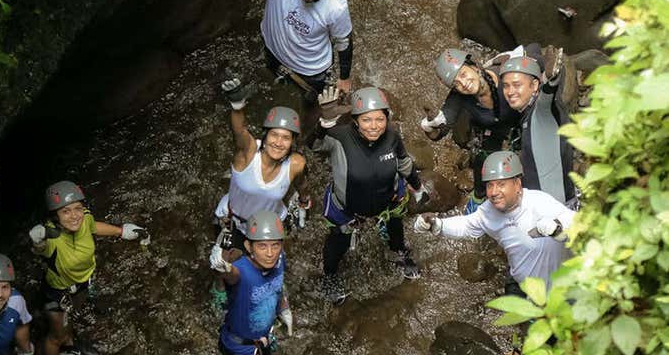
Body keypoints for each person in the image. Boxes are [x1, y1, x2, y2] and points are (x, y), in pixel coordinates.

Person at [201, 0, 354, 139]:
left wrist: (344, 78)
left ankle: (309, 132)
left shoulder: (336, 7)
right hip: (273, 50)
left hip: (310, 70)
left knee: (310, 104)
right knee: (269, 80)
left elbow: (344, 41)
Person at [28, 181, 146, 355]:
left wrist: (121, 231)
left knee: (70, 321)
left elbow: (92, 225)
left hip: (81, 285)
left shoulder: (85, 218)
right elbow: (41, 249)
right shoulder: (52, 238)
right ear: (54, 216)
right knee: (56, 335)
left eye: (77, 208)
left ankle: (71, 343)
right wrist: (38, 242)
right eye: (65, 211)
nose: (74, 216)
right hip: (58, 293)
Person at [313, 86, 429, 305]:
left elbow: (404, 162)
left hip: (388, 201)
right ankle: (330, 276)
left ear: (387, 118)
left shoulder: (392, 136)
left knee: (396, 230)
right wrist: (324, 124)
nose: (374, 126)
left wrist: (418, 186)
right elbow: (314, 146)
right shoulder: (339, 137)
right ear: (355, 120)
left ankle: (400, 254)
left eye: (380, 119)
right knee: (338, 243)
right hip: (347, 207)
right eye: (367, 120)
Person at [414, 151, 575, 295]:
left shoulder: (538, 202)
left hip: (564, 291)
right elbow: (466, 225)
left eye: (501, 184)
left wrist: (558, 228)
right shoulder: (488, 212)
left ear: (517, 184)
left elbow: (574, 220)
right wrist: (437, 224)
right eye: (490, 185)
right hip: (529, 289)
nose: (494, 192)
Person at [212, 76, 309, 308]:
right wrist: (238, 106)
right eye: (274, 135)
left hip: (270, 224)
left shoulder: (295, 163)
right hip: (235, 220)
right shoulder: (248, 153)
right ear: (264, 137)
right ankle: (218, 287)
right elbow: (239, 130)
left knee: (269, 263)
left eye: (286, 138)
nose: (278, 142)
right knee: (224, 263)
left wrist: (304, 201)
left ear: (292, 142)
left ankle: (273, 292)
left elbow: (302, 183)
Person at [209, 210, 292, 355]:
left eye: (275, 244)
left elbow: (278, 285)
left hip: (264, 339)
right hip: (239, 350)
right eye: (262, 246)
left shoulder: (279, 260)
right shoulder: (241, 271)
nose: (270, 253)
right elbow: (231, 274)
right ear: (248, 246)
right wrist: (222, 268)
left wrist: (284, 308)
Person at [421, 48, 520, 214]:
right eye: (456, 83)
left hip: (518, 123)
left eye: (463, 74)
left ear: (474, 67)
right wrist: (430, 126)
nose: (463, 83)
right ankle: (480, 196)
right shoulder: (458, 96)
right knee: (482, 162)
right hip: (490, 130)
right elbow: (440, 130)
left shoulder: (505, 75)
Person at [498, 48, 576, 207]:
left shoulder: (541, 113)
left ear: (535, 85)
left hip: (557, 210)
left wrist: (550, 78)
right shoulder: (527, 112)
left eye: (516, 85)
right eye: (506, 86)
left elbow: (547, 97)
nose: (510, 92)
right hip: (543, 205)